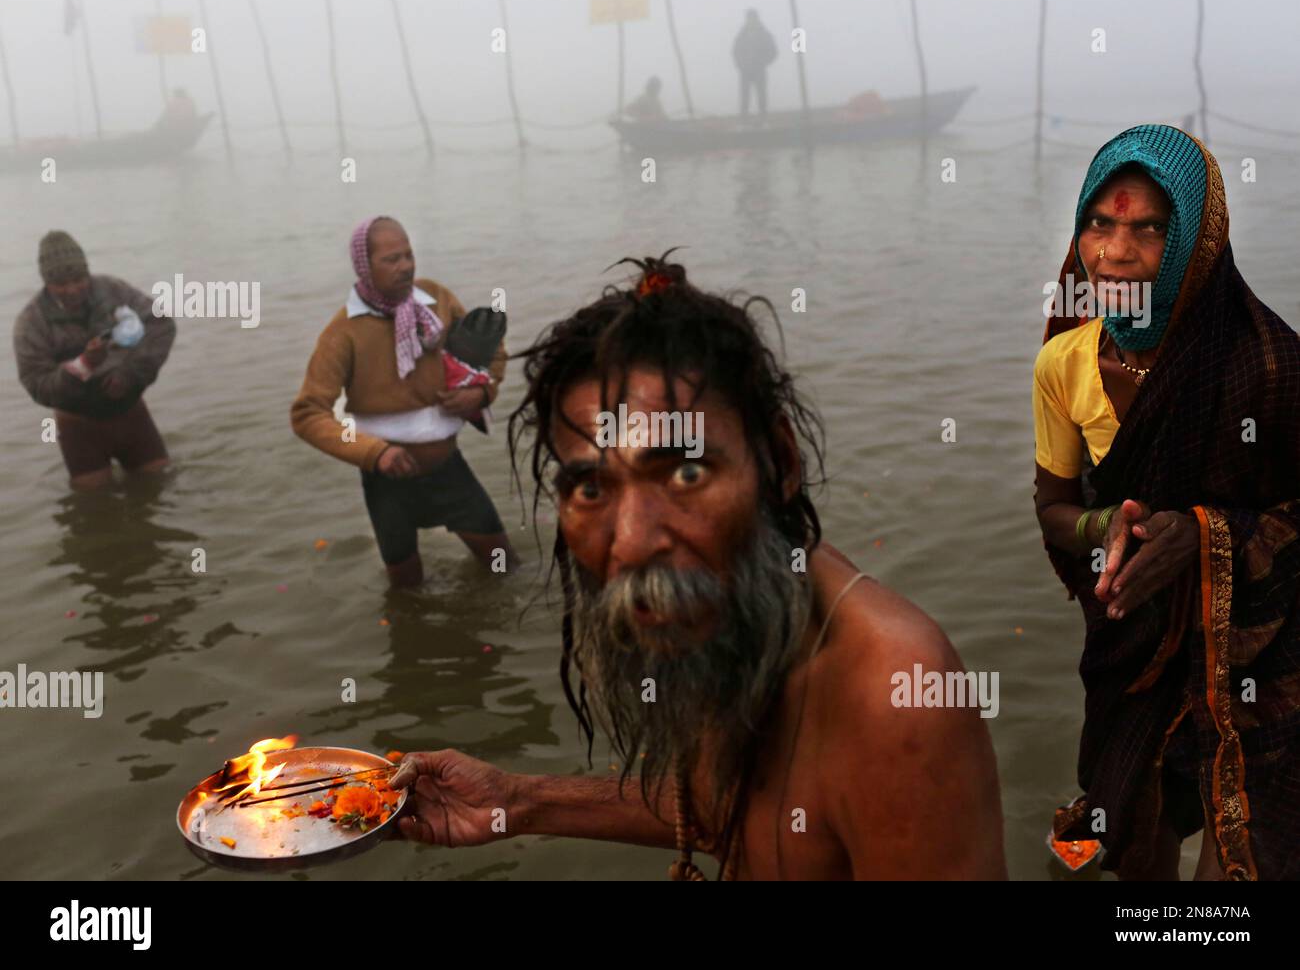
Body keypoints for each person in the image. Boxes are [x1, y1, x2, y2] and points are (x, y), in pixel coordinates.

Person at [390, 253, 1006, 879]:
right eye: (592, 490)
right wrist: (517, 801)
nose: (630, 543)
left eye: (686, 473)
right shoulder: (734, 613)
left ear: (780, 463)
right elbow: (738, 814)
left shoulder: (896, 694)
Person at [1033, 125, 1300, 880]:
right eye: (1099, 222)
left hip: (1260, 659)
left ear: (1195, 243)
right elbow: (1053, 507)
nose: (1114, 253)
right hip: (1133, 652)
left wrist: (1207, 535)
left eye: (1149, 227)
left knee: (1241, 856)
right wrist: (1104, 527)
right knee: (1113, 844)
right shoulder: (1064, 362)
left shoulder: (1271, 366)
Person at [291, 216, 516, 588]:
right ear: (365, 268)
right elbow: (307, 415)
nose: (406, 267)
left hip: (449, 469)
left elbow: (491, 350)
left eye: (408, 255)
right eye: (391, 260)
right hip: (386, 483)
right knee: (407, 594)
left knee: (504, 569)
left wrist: (480, 392)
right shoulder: (343, 333)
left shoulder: (437, 300)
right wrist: (373, 453)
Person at [13, 230, 174, 490]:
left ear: (88, 272)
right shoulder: (32, 322)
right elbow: (36, 383)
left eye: (79, 279)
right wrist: (83, 365)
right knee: (93, 507)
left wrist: (132, 373)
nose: (72, 289)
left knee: (160, 488)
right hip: (78, 426)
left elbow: (161, 324)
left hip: (130, 413)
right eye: (61, 284)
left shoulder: (113, 291)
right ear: (46, 283)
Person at [732, 9, 777, 120]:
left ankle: (763, 119)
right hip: (745, 70)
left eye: (753, 18)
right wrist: (740, 64)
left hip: (759, 69)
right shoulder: (741, 35)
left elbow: (773, 52)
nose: (751, 21)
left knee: (761, 95)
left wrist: (763, 62)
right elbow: (735, 52)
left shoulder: (764, 34)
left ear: (757, 19)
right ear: (746, 20)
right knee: (744, 96)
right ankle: (743, 121)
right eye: (749, 18)